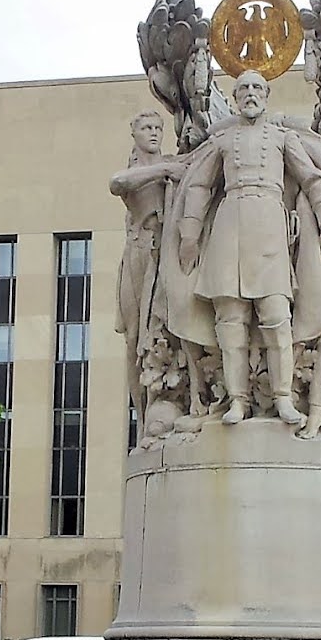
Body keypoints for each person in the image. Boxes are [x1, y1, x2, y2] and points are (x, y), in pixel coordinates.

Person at [174, 72, 321, 426]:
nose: (250, 94)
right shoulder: (223, 140)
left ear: (266, 94)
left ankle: (283, 397)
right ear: (235, 96)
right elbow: (201, 186)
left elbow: (312, 179)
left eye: (257, 88)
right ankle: (237, 399)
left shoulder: (282, 137)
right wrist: (189, 233)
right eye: (243, 89)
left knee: (276, 315)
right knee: (230, 318)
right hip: (229, 224)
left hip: (269, 223)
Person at [109, 110, 185, 418]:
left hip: (166, 253)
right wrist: (164, 169)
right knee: (133, 337)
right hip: (139, 252)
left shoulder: (171, 163)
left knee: (162, 330)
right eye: (146, 128)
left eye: (157, 128)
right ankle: (141, 412)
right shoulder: (137, 169)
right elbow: (117, 183)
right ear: (134, 133)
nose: (153, 133)